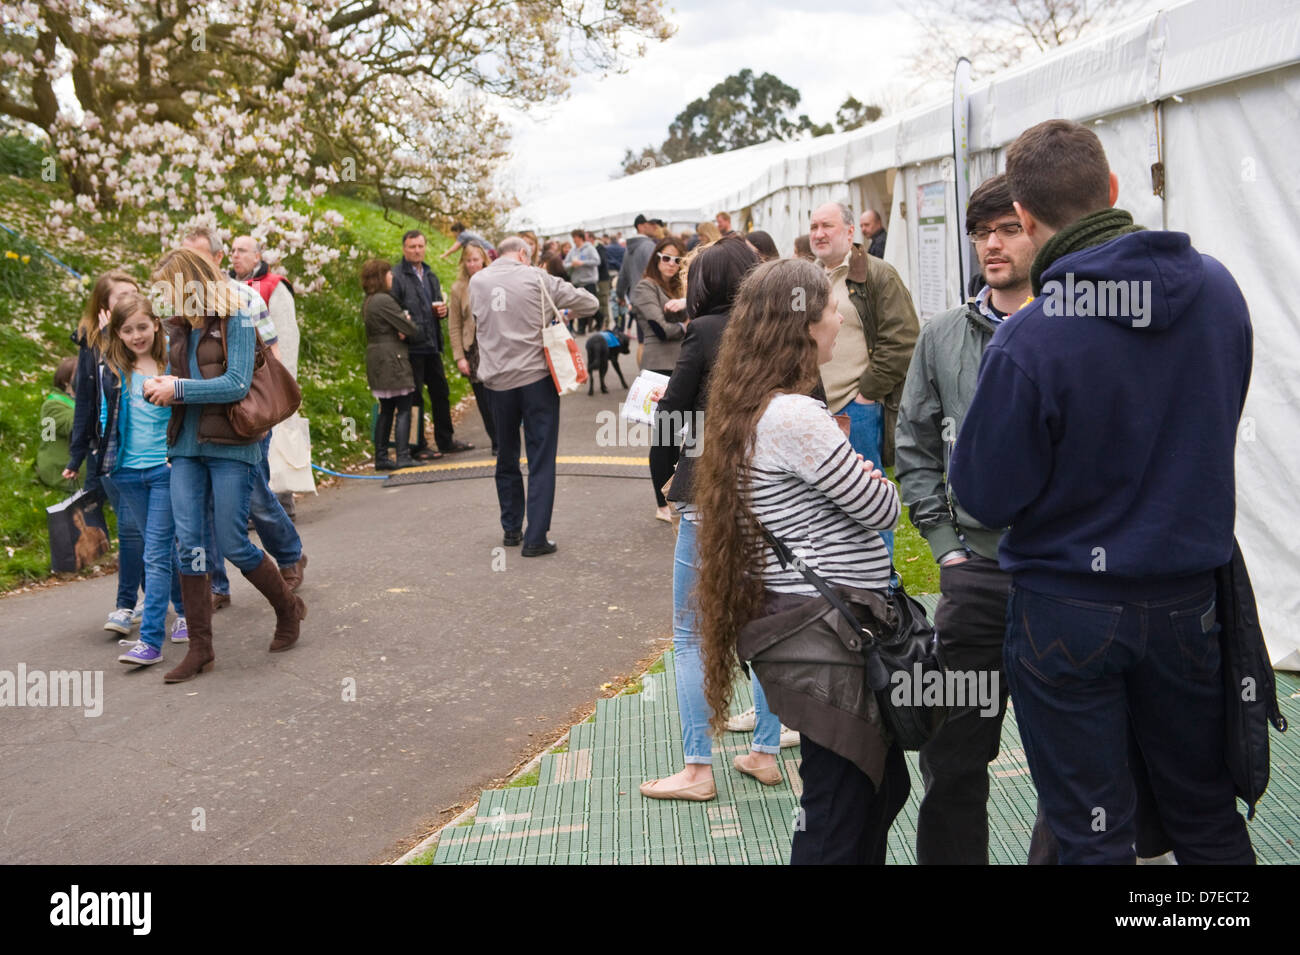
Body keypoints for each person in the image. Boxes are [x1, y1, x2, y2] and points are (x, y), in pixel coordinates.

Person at [949, 118, 1255, 865]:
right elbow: (1220, 411)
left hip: (1067, 612)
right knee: (1205, 813)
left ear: (1023, 218)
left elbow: (985, 495)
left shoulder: (1032, 336)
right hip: (1188, 600)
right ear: (1112, 189)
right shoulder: (1216, 290)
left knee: (1093, 833)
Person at [692, 258, 907, 865]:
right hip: (827, 634)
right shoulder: (794, 416)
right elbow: (883, 506)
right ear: (807, 325)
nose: (839, 318)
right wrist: (867, 475)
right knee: (839, 807)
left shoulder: (752, 407)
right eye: (833, 309)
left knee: (869, 788)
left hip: (799, 626)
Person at [895, 173, 1055, 864]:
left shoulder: (1071, 330)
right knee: (953, 760)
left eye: (1008, 228)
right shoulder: (941, 337)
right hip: (976, 584)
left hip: (1059, 581)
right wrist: (946, 551)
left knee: (1067, 767)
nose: (992, 243)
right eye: (982, 231)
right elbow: (914, 446)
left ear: (1038, 230)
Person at [639, 236, 789, 800]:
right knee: (768, 623)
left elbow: (675, 413)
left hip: (709, 493)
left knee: (690, 633)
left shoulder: (702, 332)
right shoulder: (779, 327)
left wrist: (662, 477)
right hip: (774, 495)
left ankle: (698, 769)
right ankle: (766, 752)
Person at [142, 249, 307, 683]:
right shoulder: (177, 329)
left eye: (168, 290)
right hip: (186, 447)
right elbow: (180, 382)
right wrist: (159, 387)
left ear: (190, 285)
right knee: (189, 542)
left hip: (232, 443)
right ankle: (201, 649)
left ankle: (288, 609)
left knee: (233, 543)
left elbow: (235, 384)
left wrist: (177, 388)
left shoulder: (235, 320)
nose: (163, 299)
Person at [180, 228, 305, 609]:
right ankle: (217, 584)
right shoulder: (180, 305)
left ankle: (289, 554)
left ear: (217, 259)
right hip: (197, 424)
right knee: (203, 507)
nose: (189, 268)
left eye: (197, 258)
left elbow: (272, 355)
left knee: (255, 497)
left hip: (243, 418)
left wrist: (267, 413)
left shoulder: (245, 299)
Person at [469, 237, 598, 557]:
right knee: (540, 457)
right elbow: (590, 303)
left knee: (506, 455)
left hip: (496, 382)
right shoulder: (536, 277)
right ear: (523, 254)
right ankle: (536, 537)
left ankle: (511, 529)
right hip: (536, 380)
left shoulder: (478, 281)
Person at [808, 201, 919, 554]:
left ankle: (882, 585)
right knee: (825, 500)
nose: (819, 234)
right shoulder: (807, 278)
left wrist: (867, 394)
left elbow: (903, 339)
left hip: (857, 409)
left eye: (827, 225)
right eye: (813, 227)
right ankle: (843, 578)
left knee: (867, 497)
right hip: (815, 410)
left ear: (851, 231)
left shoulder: (877, 274)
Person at [99, 291, 188, 665]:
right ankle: (183, 611)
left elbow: (186, 415)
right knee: (163, 549)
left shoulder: (172, 368)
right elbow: (105, 421)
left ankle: (150, 642)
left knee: (154, 551)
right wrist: (112, 466)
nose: (136, 336)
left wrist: (176, 459)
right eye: (127, 330)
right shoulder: (114, 373)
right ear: (118, 334)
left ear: (156, 325)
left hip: (163, 471)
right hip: (127, 474)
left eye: (142, 327)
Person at [64, 269, 148, 635]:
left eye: (135, 292)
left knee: (140, 528)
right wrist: (76, 454)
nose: (130, 299)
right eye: (121, 296)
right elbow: (85, 399)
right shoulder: (90, 342)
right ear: (103, 305)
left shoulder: (140, 336)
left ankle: (133, 603)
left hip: (144, 450)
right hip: (108, 452)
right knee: (133, 527)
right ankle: (140, 601)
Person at [229, 234, 301, 518]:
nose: (236, 255)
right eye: (233, 250)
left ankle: (281, 502)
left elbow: (286, 335)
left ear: (257, 256)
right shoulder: (226, 288)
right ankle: (250, 507)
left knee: (277, 434)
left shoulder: (274, 286)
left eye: (243, 251)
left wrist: (284, 380)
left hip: (268, 375)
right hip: (238, 378)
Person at [390, 229, 472, 459]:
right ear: (404, 249)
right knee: (414, 398)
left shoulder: (430, 275)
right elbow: (394, 311)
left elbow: (438, 306)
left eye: (420, 246)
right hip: (410, 348)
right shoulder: (396, 276)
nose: (417, 250)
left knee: (441, 393)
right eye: (412, 247)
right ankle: (417, 447)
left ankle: (445, 441)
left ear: (425, 247)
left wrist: (443, 313)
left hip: (432, 344)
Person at [632, 237, 688, 523]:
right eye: (666, 258)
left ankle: (679, 497)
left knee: (687, 436)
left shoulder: (680, 288)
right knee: (665, 439)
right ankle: (663, 503)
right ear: (656, 258)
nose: (671, 264)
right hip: (659, 369)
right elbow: (661, 328)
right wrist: (687, 324)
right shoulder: (646, 287)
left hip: (684, 366)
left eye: (677, 260)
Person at [361, 259, 424, 470]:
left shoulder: (369, 301)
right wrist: (406, 323)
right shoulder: (383, 300)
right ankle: (403, 455)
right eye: (388, 274)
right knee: (404, 407)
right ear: (381, 277)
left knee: (386, 409)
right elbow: (410, 328)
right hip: (392, 358)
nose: (392, 276)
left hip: (377, 358)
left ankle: (381, 457)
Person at [447, 242, 498, 455]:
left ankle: (507, 434)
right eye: (468, 261)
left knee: (501, 393)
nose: (472, 264)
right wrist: (460, 356)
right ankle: (496, 440)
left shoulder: (495, 280)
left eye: (476, 260)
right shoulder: (458, 288)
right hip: (474, 348)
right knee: (484, 399)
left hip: (495, 344)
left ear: (483, 260)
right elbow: (454, 324)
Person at [36, 357, 82, 491]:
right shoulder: (54, 404)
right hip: (60, 467)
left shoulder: (72, 402)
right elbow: (75, 426)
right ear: (66, 380)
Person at [614, 214, 658, 320]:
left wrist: (620, 295)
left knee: (643, 335)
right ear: (641, 226)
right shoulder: (649, 246)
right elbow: (656, 274)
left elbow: (623, 276)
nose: (655, 227)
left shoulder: (628, 249)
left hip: (636, 300)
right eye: (651, 224)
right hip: (651, 300)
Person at [563, 229, 601, 334]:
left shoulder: (590, 249)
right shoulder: (572, 251)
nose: (573, 240)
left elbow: (597, 261)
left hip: (589, 281)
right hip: (577, 282)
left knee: (592, 304)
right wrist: (572, 265)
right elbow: (565, 264)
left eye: (574, 237)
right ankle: (581, 329)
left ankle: (600, 320)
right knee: (579, 306)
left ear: (579, 237)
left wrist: (582, 263)